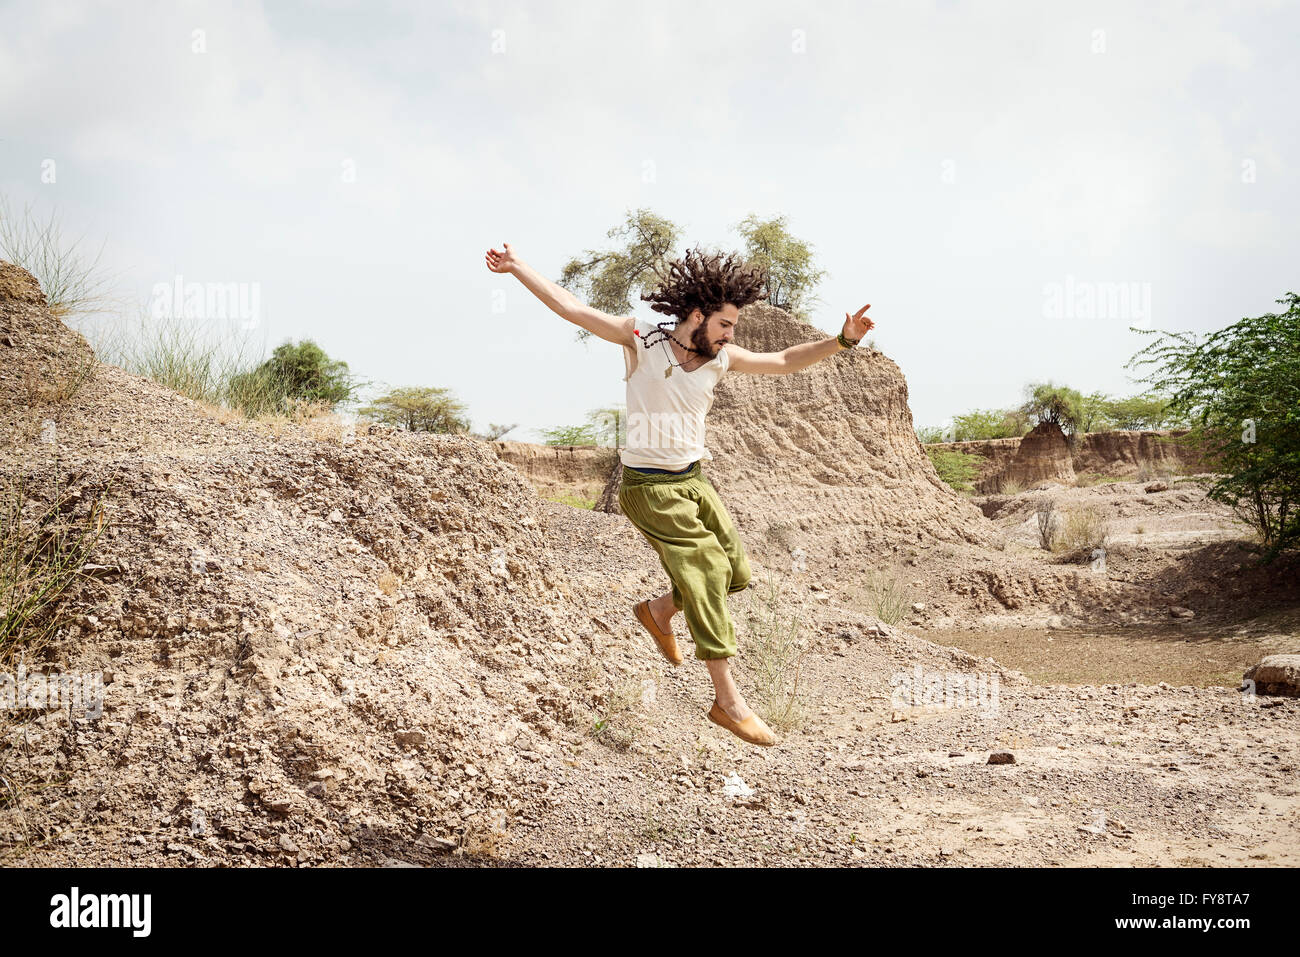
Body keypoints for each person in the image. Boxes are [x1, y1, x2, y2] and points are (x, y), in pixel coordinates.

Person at [485, 241, 874, 746]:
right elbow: (572, 308)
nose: (732, 334)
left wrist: (841, 340)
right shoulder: (640, 339)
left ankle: (660, 611)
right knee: (707, 569)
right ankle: (727, 701)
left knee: (735, 571)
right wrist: (517, 267)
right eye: (726, 324)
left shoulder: (720, 359)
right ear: (697, 315)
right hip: (648, 486)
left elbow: (782, 360)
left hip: (693, 481)